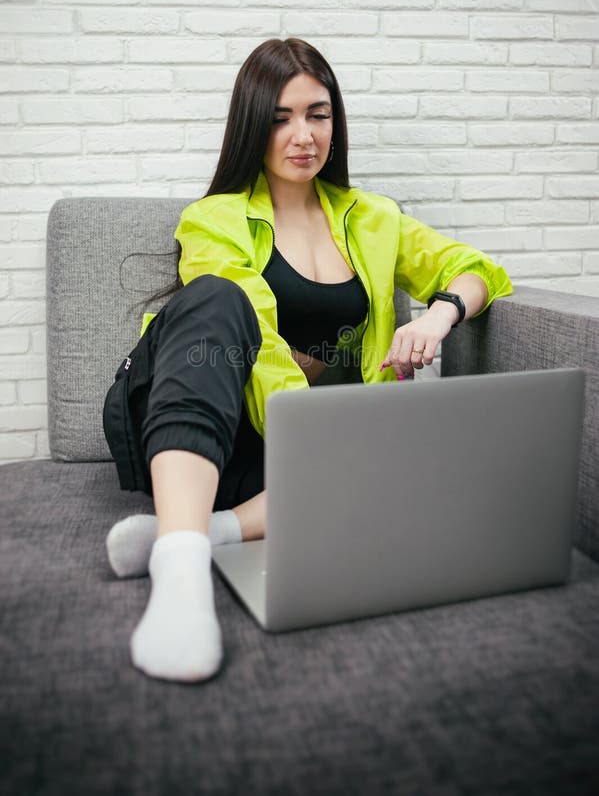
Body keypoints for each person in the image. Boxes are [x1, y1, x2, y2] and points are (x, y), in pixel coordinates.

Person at [104, 37, 513, 684]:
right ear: (252, 126)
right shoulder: (213, 219)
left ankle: (201, 533)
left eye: (317, 114)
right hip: (195, 411)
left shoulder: (372, 218)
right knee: (219, 298)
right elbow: (260, 344)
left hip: (279, 451)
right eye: (280, 117)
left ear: (335, 121)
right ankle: (181, 575)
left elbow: (474, 270)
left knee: (416, 457)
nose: (302, 134)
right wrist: (315, 441)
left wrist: (439, 315)